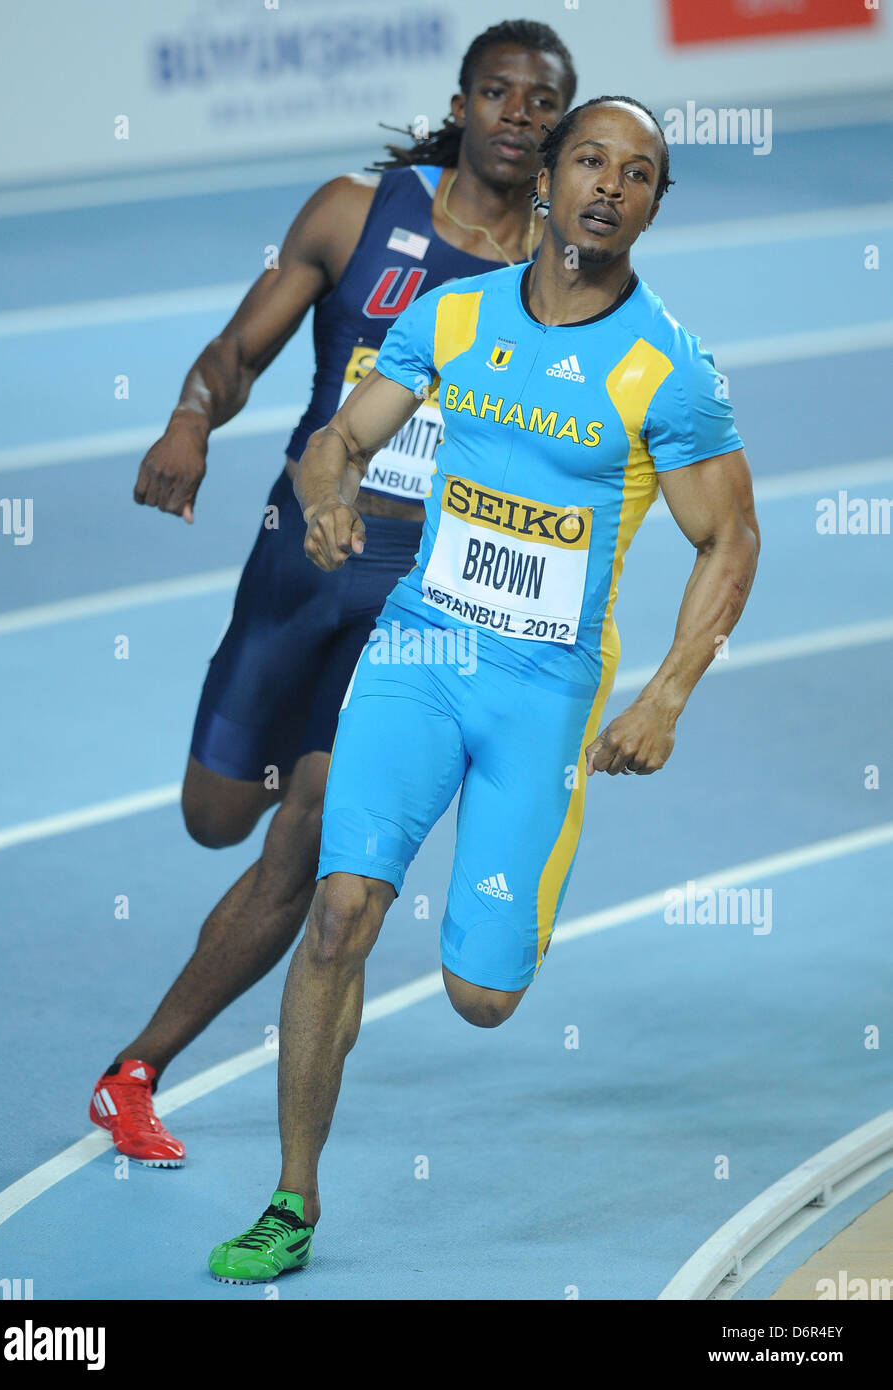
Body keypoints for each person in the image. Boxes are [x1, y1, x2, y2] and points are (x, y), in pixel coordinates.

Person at [207, 95, 761, 1282]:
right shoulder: (453, 315)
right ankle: (293, 1199)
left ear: (656, 206)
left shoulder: (668, 368)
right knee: (340, 912)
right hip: (417, 656)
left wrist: (667, 693)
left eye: (642, 174)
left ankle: (498, 944)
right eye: (593, 163)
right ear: (550, 181)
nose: (612, 187)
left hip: (544, 692)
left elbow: (732, 541)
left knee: (482, 999)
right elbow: (338, 440)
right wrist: (329, 492)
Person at [88, 20, 577, 1165]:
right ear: (463, 102)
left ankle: (135, 1071)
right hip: (297, 565)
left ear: (561, 125)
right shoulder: (356, 212)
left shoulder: (562, 271)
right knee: (219, 817)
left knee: (307, 841)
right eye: (497, 92)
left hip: (420, 595)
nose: (517, 114)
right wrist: (190, 419)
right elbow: (234, 352)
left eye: (541, 100)